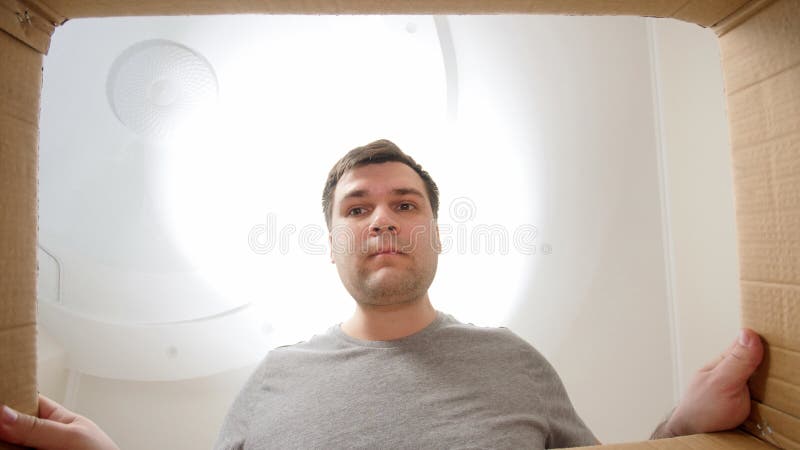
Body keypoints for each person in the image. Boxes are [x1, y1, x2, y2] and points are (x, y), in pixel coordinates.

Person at [0, 139, 764, 449]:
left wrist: (685, 428)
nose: (383, 221)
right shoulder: (273, 381)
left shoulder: (513, 362)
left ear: (435, 232)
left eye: (406, 205)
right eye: (357, 208)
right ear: (332, 241)